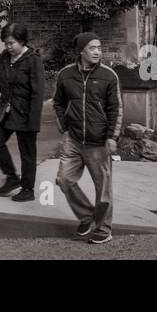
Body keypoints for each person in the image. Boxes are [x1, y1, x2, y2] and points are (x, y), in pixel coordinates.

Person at [52, 33, 123, 244]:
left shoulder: (108, 76)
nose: (97, 52)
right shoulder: (65, 74)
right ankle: (86, 216)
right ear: (82, 51)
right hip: (73, 139)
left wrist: (112, 137)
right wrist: (63, 126)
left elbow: (116, 108)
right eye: (93, 48)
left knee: (103, 189)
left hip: (99, 142)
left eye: (99, 48)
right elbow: (58, 102)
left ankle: (104, 228)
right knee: (64, 179)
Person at [0, 24, 45, 202]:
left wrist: (34, 120)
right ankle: (12, 177)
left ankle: (28, 189)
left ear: (22, 41)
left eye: (12, 43)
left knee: (27, 152)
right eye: (6, 43)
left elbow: (38, 93)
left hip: (25, 112)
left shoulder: (33, 60)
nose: (8, 47)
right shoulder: (5, 57)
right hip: (6, 110)